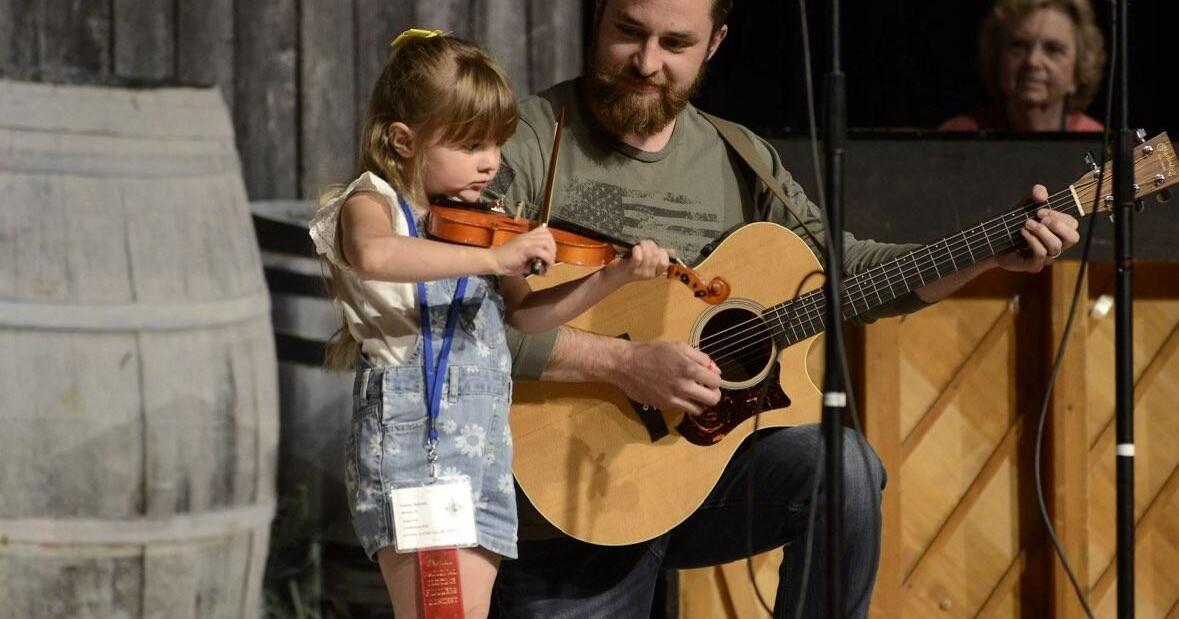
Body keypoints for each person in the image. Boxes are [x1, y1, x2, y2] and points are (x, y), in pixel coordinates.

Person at [486, 0, 1081, 617]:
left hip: (700, 477)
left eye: (675, 43)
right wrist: (622, 362)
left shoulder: (741, 156)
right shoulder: (526, 140)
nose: (647, 61)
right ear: (598, 18)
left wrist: (985, 254)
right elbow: (456, 325)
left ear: (715, 43)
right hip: (560, 509)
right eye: (629, 33)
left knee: (842, 467)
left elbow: (842, 270)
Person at [308, 29, 673, 618]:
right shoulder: (371, 204)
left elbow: (527, 316)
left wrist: (613, 276)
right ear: (404, 140)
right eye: (471, 144)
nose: (491, 162)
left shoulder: (478, 221)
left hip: (479, 454)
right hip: (415, 448)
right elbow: (377, 256)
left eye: (497, 144)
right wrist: (493, 256)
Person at [940, 0, 1106, 132]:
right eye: (1019, 46)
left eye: (1052, 49)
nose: (1032, 61)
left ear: (1078, 71)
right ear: (998, 58)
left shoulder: (1101, 149)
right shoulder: (959, 137)